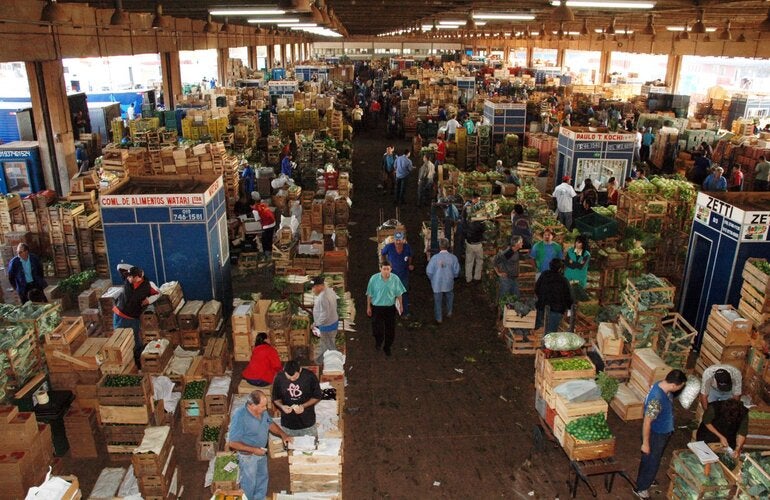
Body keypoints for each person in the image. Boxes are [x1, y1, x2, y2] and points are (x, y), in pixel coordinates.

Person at [227, 391, 293, 500]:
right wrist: (253, 450)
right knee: (249, 482)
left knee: (262, 476)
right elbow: (233, 443)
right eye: (262, 406)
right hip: (248, 456)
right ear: (252, 405)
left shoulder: (262, 412)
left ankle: (260, 497)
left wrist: (283, 435)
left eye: (265, 405)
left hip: (261, 452)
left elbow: (270, 423)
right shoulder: (240, 416)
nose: (266, 408)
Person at [634, 369, 688, 499]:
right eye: (681, 386)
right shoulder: (656, 399)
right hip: (655, 434)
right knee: (652, 461)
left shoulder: (662, 386)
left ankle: (647, 479)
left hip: (661, 432)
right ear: (674, 385)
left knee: (652, 459)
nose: (680, 389)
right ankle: (641, 488)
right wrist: (645, 443)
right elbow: (647, 422)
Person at [112, 266, 157, 368]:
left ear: (138, 277)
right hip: (119, 314)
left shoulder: (148, 286)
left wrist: (148, 301)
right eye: (128, 276)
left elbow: (158, 293)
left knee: (135, 341)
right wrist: (131, 269)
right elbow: (119, 266)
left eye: (131, 277)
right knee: (119, 339)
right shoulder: (128, 280)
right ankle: (122, 363)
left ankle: (137, 363)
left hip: (132, 319)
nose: (129, 279)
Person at [272, 360, 323, 437]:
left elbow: (317, 396)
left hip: (307, 422)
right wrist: (282, 406)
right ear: (284, 371)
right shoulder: (279, 377)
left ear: (299, 370)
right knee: (290, 447)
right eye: (289, 378)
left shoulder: (310, 376)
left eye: (295, 377)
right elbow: (276, 398)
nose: (292, 380)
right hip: (288, 423)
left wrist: (303, 406)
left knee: (311, 446)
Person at [366, 259, 406, 357]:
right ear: (380, 269)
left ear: (391, 269)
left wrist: (401, 305)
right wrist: (368, 307)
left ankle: (387, 347)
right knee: (377, 328)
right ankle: (378, 342)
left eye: (388, 269)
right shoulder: (373, 279)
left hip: (390, 308)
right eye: (384, 269)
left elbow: (399, 293)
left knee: (390, 329)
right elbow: (369, 294)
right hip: (377, 307)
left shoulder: (395, 279)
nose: (386, 271)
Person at [426, 238, 460, 324]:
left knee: (437, 301)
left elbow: (429, 271)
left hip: (437, 283)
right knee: (449, 296)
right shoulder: (453, 258)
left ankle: (439, 318)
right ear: (448, 246)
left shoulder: (434, 258)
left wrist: (433, 279)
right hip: (448, 282)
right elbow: (456, 271)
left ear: (439, 246)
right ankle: (449, 311)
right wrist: (453, 276)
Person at [534, 258, 573, 334]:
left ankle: (538, 344)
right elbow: (568, 297)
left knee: (539, 331)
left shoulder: (544, 274)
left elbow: (537, 289)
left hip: (542, 307)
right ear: (560, 269)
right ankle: (546, 345)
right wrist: (569, 309)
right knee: (550, 334)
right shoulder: (563, 280)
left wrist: (542, 299)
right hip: (556, 310)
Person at [380, 232, 413, 318]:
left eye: (400, 240)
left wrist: (409, 264)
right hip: (392, 275)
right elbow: (383, 253)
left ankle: (404, 312)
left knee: (403, 292)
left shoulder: (407, 247)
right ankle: (391, 312)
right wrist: (384, 264)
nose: (398, 242)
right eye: (396, 240)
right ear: (394, 239)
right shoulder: (389, 247)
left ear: (403, 240)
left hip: (404, 274)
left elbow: (410, 256)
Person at [311, 276, 339, 365]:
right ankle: (323, 359)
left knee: (328, 344)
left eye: (314, 287)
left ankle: (334, 360)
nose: (313, 289)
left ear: (320, 286)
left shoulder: (323, 297)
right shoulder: (330, 291)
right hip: (332, 322)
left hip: (327, 325)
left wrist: (316, 324)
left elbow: (325, 315)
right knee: (327, 342)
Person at [494, 236, 524, 301]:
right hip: (506, 279)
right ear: (516, 244)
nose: (522, 244)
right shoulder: (508, 253)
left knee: (516, 297)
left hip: (514, 278)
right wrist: (498, 273)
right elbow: (495, 262)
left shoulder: (515, 251)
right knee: (503, 298)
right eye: (521, 242)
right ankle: (501, 310)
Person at [251, 192, 276, 259]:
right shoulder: (263, 204)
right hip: (273, 222)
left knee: (265, 240)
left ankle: (267, 253)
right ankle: (271, 250)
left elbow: (258, 220)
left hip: (267, 225)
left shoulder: (255, 210)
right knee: (270, 238)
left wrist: (260, 229)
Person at [464, 215, 485, 284]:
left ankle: (468, 279)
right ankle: (477, 278)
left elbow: (464, 231)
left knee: (469, 262)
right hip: (478, 245)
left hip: (469, 244)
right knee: (479, 261)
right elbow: (484, 230)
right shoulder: (480, 224)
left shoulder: (468, 223)